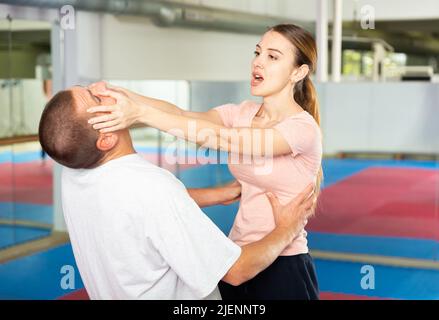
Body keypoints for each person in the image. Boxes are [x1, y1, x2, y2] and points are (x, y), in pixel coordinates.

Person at [86, 24, 323, 300]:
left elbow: (230, 140)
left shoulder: (302, 129)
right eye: (257, 52)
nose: (258, 61)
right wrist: (121, 95)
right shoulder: (243, 112)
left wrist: (140, 114)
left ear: (299, 72)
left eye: (273, 56)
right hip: (238, 256)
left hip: (285, 263)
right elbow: (182, 114)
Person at [38, 84, 315, 300]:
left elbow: (143, 210)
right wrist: (287, 229)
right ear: (106, 138)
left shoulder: (74, 175)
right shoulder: (153, 188)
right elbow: (236, 271)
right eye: (96, 100)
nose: (103, 92)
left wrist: (219, 193)